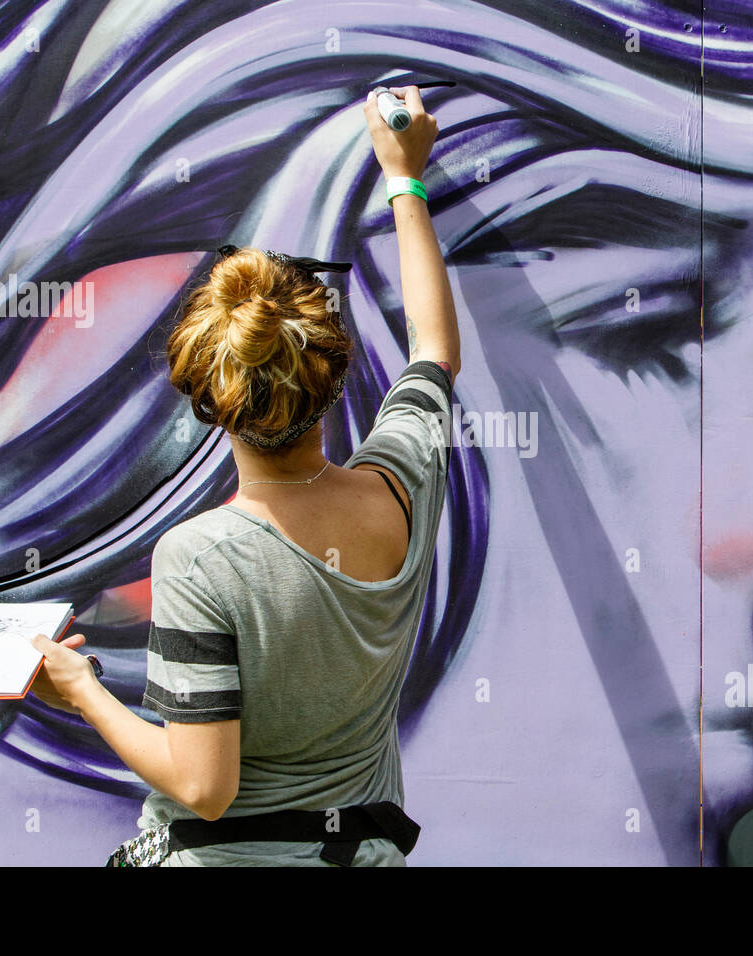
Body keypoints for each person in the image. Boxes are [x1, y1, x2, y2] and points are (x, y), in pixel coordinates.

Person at [28, 85, 460, 866]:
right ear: (332, 377)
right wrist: (405, 177)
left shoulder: (201, 558)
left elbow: (205, 789)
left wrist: (80, 688)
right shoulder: (399, 489)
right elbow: (434, 350)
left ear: (210, 402)